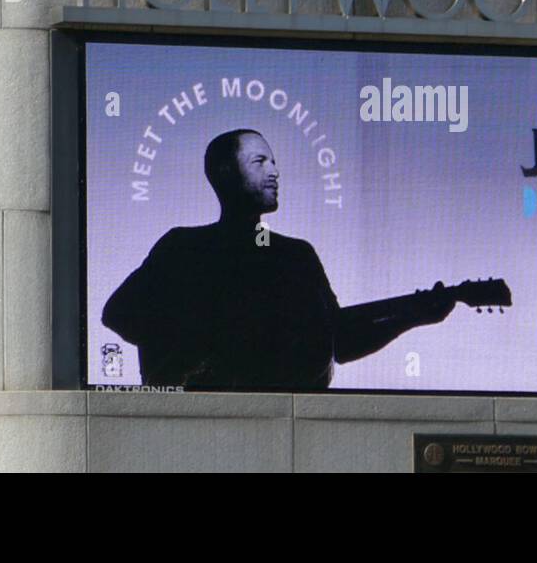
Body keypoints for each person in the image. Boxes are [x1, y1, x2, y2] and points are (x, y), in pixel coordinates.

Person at [102, 128, 456, 390]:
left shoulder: (295, 256)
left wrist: (415, 314)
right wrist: (204, 347)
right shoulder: (183, 247)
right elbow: (118, 314)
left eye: (274, 162)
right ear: (225, 173)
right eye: (260, 161)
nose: (275, 171)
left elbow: (340, 340)